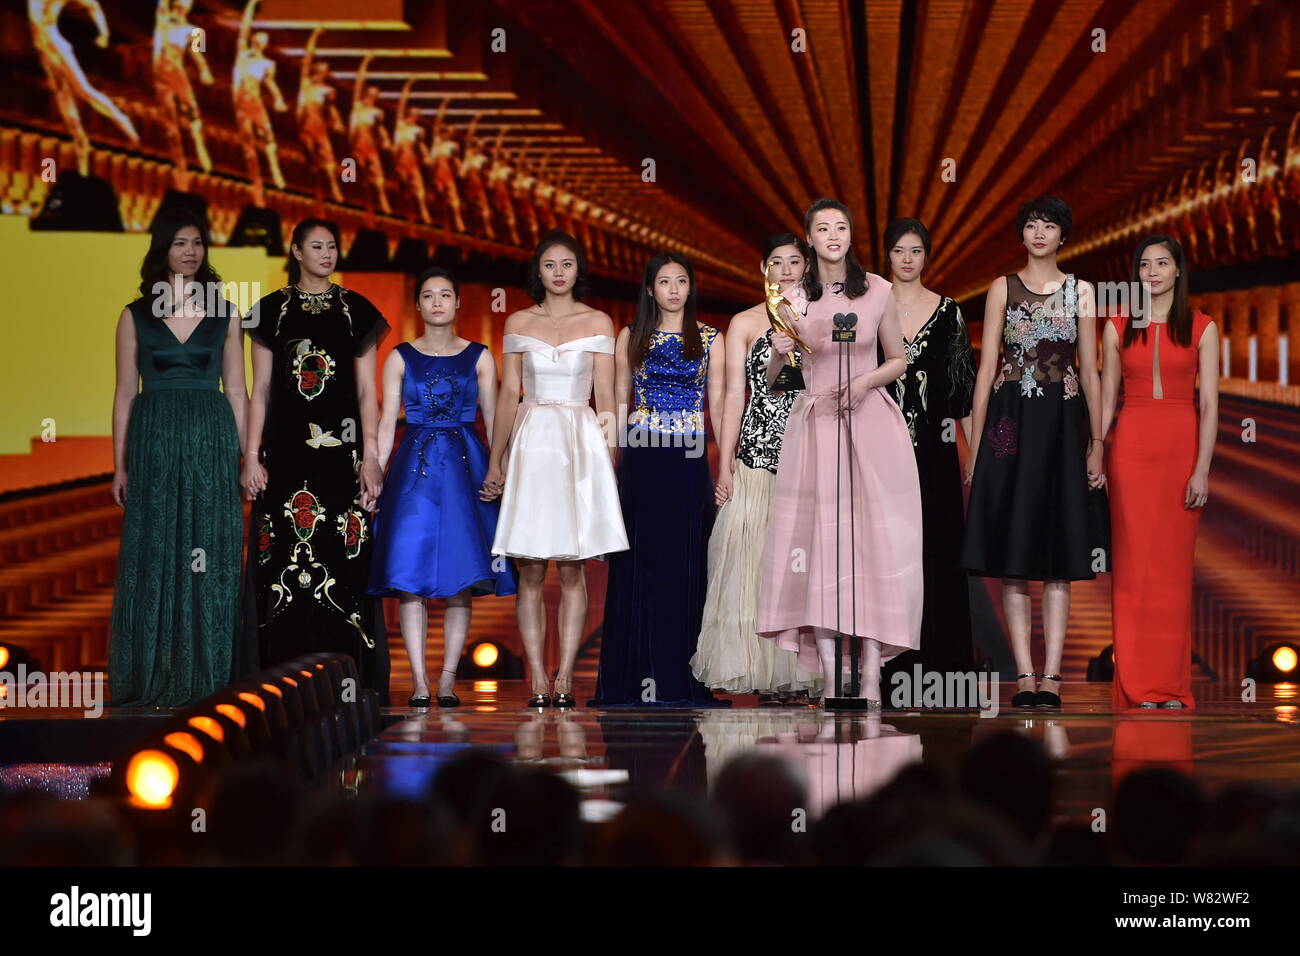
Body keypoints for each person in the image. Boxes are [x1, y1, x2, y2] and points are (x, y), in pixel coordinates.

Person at [758, 198, 923, 708]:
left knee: (872, 548)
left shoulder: (878, 289)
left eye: (842, 227)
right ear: (808, 238)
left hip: (871, 425)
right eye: (822, 227)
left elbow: (900, 358)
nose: (833, 234)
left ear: (852, 236)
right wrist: (779, 356)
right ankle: (832, 678)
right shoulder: (791, 298)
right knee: (820, 551)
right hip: (817, 428)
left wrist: (866, 381)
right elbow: (771, 381)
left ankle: (871, 675)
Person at [961, 196, 1109, 710]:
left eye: (1049, 225)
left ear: (1063, 236)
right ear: (1021, 234)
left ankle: (1052, 676)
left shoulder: (1082, 292)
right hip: (1009, 427)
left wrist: (1097, 443)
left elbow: (1089, 370)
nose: (1040, 232)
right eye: (1031, 224)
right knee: (1014, 553)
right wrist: (975, 445)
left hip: (1064, 427)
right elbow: (985, 373)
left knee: (1060, 559)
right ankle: (1024, 675)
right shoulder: (1002, 287)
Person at [241, 218, 391, 702]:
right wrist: (250, 456)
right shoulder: (271, 312)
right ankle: (279, 682)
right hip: (282, 458)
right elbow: (259, 392)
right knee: (280, 557)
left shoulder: (356, 311)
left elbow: (369, 392)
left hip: (339, 458)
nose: (326, 254)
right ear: (296, 250)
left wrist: (369, 457)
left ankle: (348, 680)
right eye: (317, 246)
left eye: (332, 246)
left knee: (343, 559)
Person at [481, 230, 627, 708]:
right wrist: (496, 459)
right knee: (528, 569)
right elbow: (508, 394)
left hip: (580, 440)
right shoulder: (519, 321)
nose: (559, 272)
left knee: (571, 567)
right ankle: (537, 678)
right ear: (538, 271)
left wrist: (609, 457)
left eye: (567, 264)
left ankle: (565, 674)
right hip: (533, 439)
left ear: (577, 271)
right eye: (550, 265)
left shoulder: (599, 320)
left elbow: (605, 395)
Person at [109, 209, 245, 707]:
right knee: (156, 550)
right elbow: (125, 393)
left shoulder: (226, 312)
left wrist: (247, 455)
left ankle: (210, 675)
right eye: (179, 243)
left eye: (198, 243)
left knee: (211, 551)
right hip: (154, 438)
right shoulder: (134, 314)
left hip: (211, 436)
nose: (190, 251)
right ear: (161, 250)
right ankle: (152, 674)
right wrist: (119, 464)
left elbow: (238, 390)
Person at [368, 267, 517, 708]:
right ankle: (418, 679)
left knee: (461, 577)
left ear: (457, 303)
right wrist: (374, 468)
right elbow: (383, 423)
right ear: (418, 304)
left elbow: (494, 419)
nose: (437, 302)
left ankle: (448, 678)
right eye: (429, 295)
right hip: (412, 469)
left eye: (445, 294)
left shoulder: (481, 356)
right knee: (409, 578)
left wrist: (499, 467)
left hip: (466, 466)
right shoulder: (398, 357)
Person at [590, 252, 727, 707]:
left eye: (681, 281)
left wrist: (723, 465)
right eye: (664, 281)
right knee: (638, 565)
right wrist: (612, 459)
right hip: (642, 457)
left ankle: (680, 680)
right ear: (650, 289)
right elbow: (619, 399)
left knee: (685, 564)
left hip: (688, 460)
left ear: (691, 288)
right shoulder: (632, 335)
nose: (673, 289)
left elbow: (721, 404)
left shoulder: (710, 338)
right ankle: (630, 682)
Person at [690, 233, 820, 701]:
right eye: (776, 262)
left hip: (811, 455)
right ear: (763, 268)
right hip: (756, 454)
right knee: (753, 561)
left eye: (793, 262)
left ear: (807, 267)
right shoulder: (744, 323)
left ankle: (805, 673)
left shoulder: (822, 317)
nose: (785, 270)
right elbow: (729, 397)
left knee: (804, 564)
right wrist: (724, 465)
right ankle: (765, 673)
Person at [1101, 235, 1218, 710]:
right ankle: (1135, 685)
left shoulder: (1203, 326)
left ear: (1178, 271)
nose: (1152, 271)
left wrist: (1202, 469)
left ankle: (1170, 686)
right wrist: (1095, 450)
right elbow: (1108, 397)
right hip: (1130, 450)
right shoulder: (1115, 324)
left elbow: (1209, 403)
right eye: (1145, 264)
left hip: (1180, 450)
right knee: (1132, 571)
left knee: (1172, 573)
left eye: (1162, 263)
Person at [877, 218, 977, 696]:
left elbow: (963, 395)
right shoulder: (871, 308)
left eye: (916, 251)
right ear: (888, 256)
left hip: (936, 454)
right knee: (888, 553)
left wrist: (973, 456)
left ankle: (941, 666)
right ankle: (890, 665)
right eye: (900, 250)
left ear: (926, 257)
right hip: (880, 452)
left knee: (937, 550)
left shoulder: (949, 313)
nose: (908, 259)